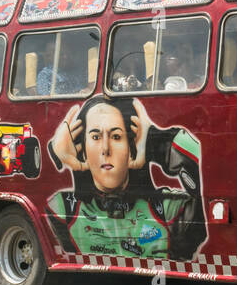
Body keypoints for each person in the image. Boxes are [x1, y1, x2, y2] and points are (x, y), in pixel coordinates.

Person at [46, 95, 206, 261]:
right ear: (83, 150)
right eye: (95, 137)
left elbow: (208, 170)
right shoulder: (64, 210)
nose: (105, 149)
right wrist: (57, 153)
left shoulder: (167, 209)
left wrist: (155, 140)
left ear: (132, 147)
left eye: (116, 137)